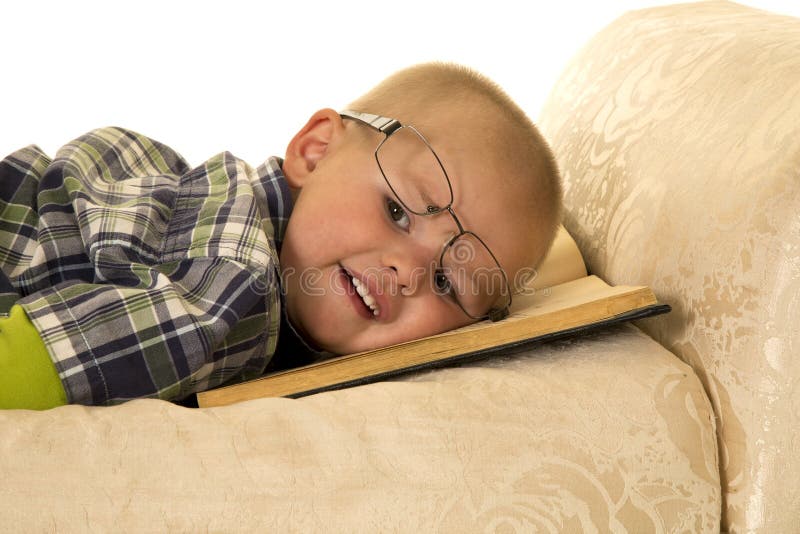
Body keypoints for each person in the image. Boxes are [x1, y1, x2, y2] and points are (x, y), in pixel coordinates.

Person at [0, 62, 562, 409]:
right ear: (315, 152)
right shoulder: (240, 286)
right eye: (396, 211)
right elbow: (44, 364)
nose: (407, 272)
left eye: (447, 281)